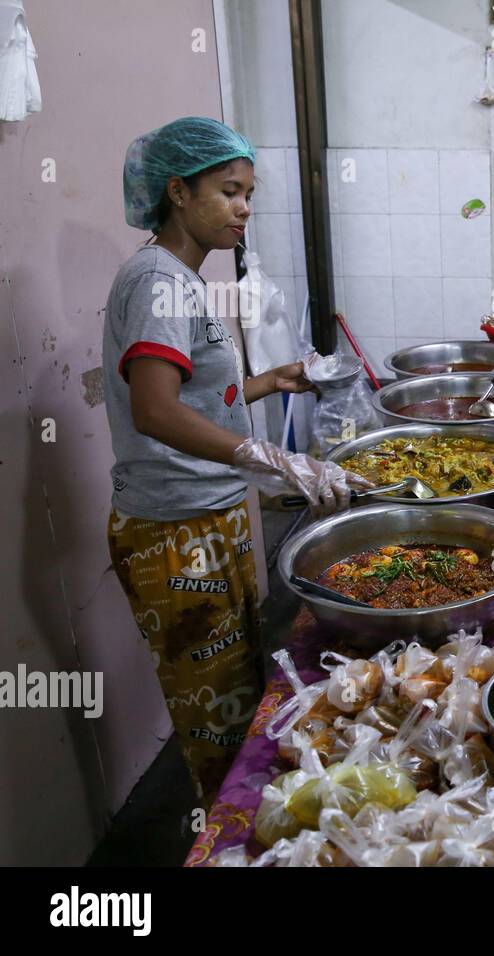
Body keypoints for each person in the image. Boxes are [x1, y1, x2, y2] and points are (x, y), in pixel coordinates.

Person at [103, 116, 367, 802]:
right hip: (175, 531)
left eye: (248, 192)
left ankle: (252, 818)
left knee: (241, 692)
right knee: (215, 715)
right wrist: (277, 459)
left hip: (209, 515)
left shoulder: (187, 282)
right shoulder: (158, 281)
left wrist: (269, 382)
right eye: (228, 191)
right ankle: (223, 837)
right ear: (177, 193)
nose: (244, 207)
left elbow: (196, 394)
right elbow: (154, 409)